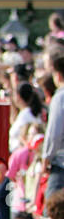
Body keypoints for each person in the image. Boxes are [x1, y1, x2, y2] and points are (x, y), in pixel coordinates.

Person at [43, 50, 64, 198]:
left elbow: (54, 132)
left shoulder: (60, 96)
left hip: (61, 163)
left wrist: (46, 158)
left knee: (53, 207)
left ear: (58, 75)